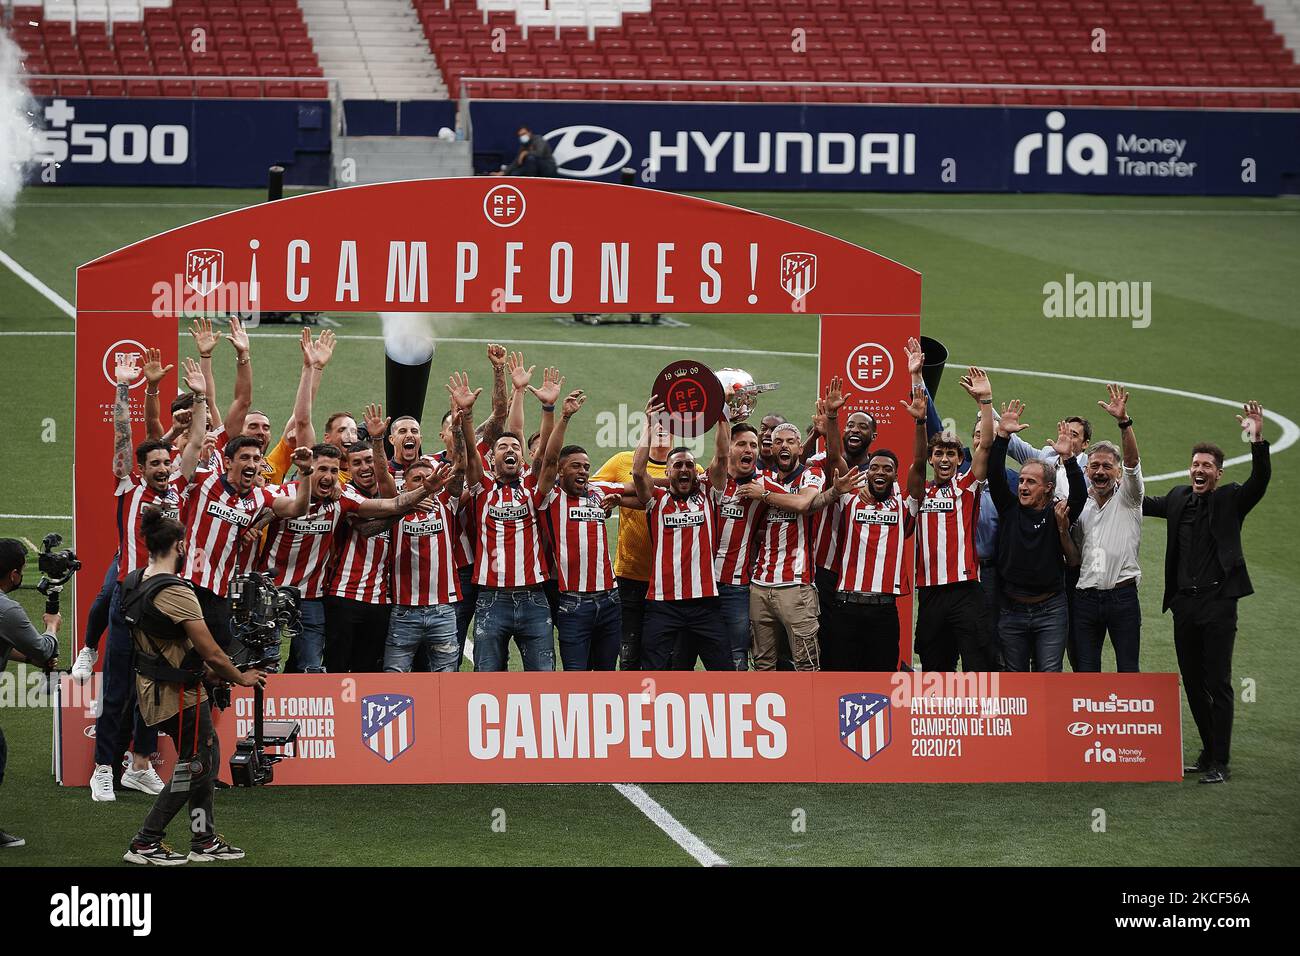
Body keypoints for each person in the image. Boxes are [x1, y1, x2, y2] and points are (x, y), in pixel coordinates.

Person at [120, 508, 266, 865]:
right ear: (181, 546)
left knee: (205, 755)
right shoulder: (177, 592)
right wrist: (240, 677)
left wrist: (205, 670)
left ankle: (204, 839)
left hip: (156, 685)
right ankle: (146, 840)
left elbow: (161, 640)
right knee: (194, 765)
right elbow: (213, 652)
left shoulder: (134, 580)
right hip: (176, 693)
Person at [1142, 401, 1271, 785]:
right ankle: (1207, 751)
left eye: (1206, 466)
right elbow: (1143, 503)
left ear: (1218, 472)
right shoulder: (1180, 497)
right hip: (1185, 606)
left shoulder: (1232, 498)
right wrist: (1113, 479)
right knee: (1194, 682)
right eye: (1195, 464)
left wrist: (1256, 437)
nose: (1199, 470)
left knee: (1218, 682)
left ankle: (1221, 761)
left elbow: (1260, 480)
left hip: (1218, 604)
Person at [88, 354, 185, 803]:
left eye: (168, 462)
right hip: (128, 600)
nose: (163, 468)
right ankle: (103, 769)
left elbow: (200, 435)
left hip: (164, 601)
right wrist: (126, 389)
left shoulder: (180, 489)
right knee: (120, 689)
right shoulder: (129, 486)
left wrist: (200, 394)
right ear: (141, 469)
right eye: (156, 463)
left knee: (156, 688)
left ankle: (140, 765)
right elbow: (123, 437)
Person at [175, 358, 315, 652]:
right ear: (227, 462)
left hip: (223, 592)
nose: (252, 463)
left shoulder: (261, 497)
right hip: (185, 584)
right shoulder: (203, 480)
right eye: (245, 458)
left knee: (215, 660)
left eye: (256, 459)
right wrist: (202, 393)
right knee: (176, 657)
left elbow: (298, 508)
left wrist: (305, 473)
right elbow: (205, 433)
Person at [262, 441, 436, 673]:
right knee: (265, 663)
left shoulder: (340, 500)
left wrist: (425, 489)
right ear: (308, 468)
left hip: (313, 597)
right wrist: (257, 525)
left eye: (334, 471)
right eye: (322, 469)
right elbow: (261, 507)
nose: (329, 476)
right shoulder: (282, 492)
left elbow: (392, 503)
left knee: (312, 670)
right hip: (273, 592)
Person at [449, 372, 556, 672]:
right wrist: (467, 415)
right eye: (502, 447)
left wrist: (549, 410)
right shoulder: (481, 487)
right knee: (488, 678)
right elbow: (470, 454)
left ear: (523, 458)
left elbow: (546, 453)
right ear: (492, 458)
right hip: (491, 600)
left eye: (515, 448)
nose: (510, 450)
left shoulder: (532, 486)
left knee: (544, 680)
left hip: (535, 597)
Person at [986, 398, 1087, 672]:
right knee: (1016, 682)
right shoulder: (1009, 509)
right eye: (1020, 480)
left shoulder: (1057, 513)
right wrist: (1002, 437)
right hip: (1012, 609)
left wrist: (1068, 458)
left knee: (1049, 678)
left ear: (1048, 488)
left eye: (1031, 481)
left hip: (1051, 611)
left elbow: (1079, 496)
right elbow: (994, 475)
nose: (1022, 486)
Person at [632, 400, 733, 671]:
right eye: (678, 466)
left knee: (724, 669)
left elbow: (723, 458)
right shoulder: (656, 499)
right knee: (653, 668)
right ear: (666, 472)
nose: (684, 469)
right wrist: (650, 426)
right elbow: (638, 471)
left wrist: (722, 416)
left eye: (689, 464)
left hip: (705, 603)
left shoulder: (709, 495)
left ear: (696, 471)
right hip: (663, 604)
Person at [908, 365, 997, 672]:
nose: (944, 459)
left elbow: (986, 444)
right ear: (932, 458)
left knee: (979, 665)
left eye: (951, 454)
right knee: (935, 667)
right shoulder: (920, 492)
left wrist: (985, 401)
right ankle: (936, 719)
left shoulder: (967, 485)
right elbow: (917, 462)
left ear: (960, 460)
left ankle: (983, 718)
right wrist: (916, 383)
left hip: (966, 590)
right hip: (930, 592)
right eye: (939, 454)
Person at [538, 390, 631, 670]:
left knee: (604, 678)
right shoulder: (551, 496)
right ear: (560, 471)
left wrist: (621, 499)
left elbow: (642, 490)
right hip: (573, 604)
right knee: (576, 680)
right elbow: (549, 459)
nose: (583, 471)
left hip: (610, 600)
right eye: (576, 466)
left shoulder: (598, 490)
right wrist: (564, 416)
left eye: (587, 467)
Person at [592, 410, 679, 670]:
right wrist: (607, 504)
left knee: (666, 654)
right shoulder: (622, 461)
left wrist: (627, 492)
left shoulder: (687, 467)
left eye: (668, 424)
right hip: (630, 575)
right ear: (644, 428)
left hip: (670, 580)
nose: (661, 428)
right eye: (655, 423)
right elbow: (592, 488)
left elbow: (653, 493)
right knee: (628, 652)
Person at [1073, 384, 1144, 672]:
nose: (1099, 472)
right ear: (1086, 470)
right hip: (1085, 599)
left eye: (1106, 466)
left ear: (1117, 472)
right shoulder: (1081, 505)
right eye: (1094, 466)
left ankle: (1127, 719)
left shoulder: (1130, 497)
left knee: (1128, 671)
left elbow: (1132, 463)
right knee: (1086, 673)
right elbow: (1075, 555)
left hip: (1122, 597)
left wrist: (1123, 423)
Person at [0, 539, 60, 849]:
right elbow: (43, 647)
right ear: (13, 575)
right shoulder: (7, 609)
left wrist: (27, 659)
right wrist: (51, 626)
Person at [384, 456, 463, 672]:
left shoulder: (446, 502)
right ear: (405, 485)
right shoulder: (396, 507)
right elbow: (383, 476)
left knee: (447, 679)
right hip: (403, 611)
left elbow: (462, 465)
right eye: (417, 479)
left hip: (443, 609)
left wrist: (459, 428)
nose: (424, 483)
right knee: (394, 676)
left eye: (429, 478)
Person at [712, 424, 772, 670]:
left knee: (737, 655)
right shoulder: (711, 480)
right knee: (686, 650)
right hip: (700, 586)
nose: (749, 450)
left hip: (736, 588)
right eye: (742, 444)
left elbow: (801, 501)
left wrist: (766, 496)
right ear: (729, 448)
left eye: (753, 445)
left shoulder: (764, 485)